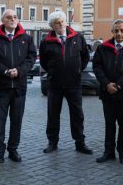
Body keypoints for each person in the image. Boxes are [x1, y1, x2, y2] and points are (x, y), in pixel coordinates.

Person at [0, 9, 36, 163]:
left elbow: (31, 58)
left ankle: (13, 149)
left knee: (16, 120)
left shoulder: (26, 38)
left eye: (15, 17)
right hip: (1, 86)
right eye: (9, 17)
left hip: (19, 87)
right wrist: (6, 71)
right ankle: (0, 150)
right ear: (3, 21)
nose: (12, 19)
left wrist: (19, 71)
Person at [39, 11, 93, 154]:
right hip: (55, 84)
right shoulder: (46, 41)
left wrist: (76, 71)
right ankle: (52, 142)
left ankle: (80, 142)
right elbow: (43, 61)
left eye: (63, 21)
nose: (61, 24)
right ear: (52, 26)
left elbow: (85, 57)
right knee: (53, 115)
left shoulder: (78, 37)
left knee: (77, 114)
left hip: (73, 83)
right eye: (57, 22)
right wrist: (53, 71)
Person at [92, 19, 123, 164]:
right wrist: (107, 84)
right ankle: (108, 151)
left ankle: (122, 152)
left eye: (122, 30)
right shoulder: (103, 48)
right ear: (112, 32)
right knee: (109, 123)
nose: (119, 33)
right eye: (116, 31)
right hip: (107, 93)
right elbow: (97, 67)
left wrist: (119, 85)